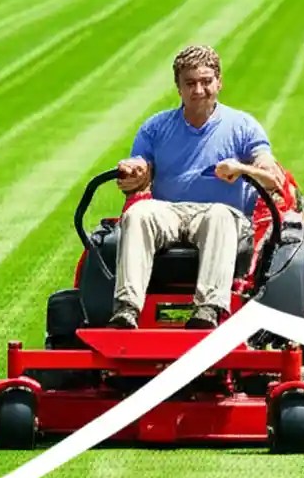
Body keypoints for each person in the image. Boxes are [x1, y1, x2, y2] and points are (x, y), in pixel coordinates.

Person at [110, 44, 283, 329]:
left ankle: (209, 308)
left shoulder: (242, 127)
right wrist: (132, 171)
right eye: (190, 83)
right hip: (170, 212)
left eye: (206, 82)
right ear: (178, 87)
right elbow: (139, 168)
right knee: (138, 213)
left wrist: (241, 168)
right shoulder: (156, 128)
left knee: (218, 216)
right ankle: (127, 308)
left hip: (224, 215)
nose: (199, 90)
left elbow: (272, 178)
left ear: (219, 82)